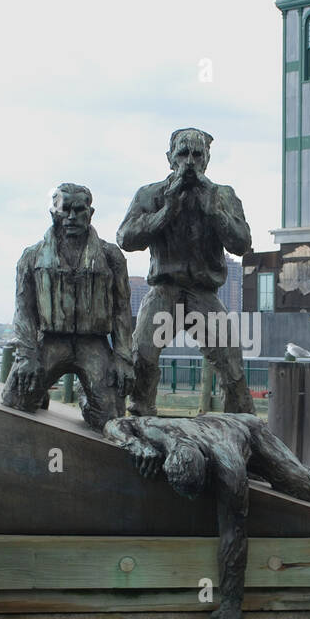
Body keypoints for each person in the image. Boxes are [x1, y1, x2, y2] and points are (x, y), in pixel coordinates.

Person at [103, 411, 310, 619]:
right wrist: (135, 445)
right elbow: (114, 424)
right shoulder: (158, 432)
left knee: (305, 487)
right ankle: (254, 473)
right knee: (247, 478)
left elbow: (234, 531)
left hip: (244, 430)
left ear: (207, 466)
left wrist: (231, 603)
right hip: (206, 427)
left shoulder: (228, 465)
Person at [117, 127, 255, 416]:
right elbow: (126, 239)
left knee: (232, 366)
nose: (189, 162)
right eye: (182, 154)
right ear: (170, 158)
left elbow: (242, 244)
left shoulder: (223, 195)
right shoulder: (151, 194)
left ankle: (242, 424)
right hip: (164, 290)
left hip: (203, 294)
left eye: (197, 155)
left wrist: (215, 213)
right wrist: (165, 213)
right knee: (142, 355)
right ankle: (140, 416)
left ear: (207, 160)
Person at [1, 183, 133, 430]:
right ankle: (40, 393)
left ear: (90, 213)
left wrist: (123, 358)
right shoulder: (31, 257)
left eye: (79, 210)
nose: (72, 216)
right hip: (50, 342)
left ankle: (86, 396)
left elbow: (122, 310)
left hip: (94, 344)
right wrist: (27, 355)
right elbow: (24, 310)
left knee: (110, 417)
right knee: (16, 399)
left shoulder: (111, 256)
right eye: (65, 209)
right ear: (53, 212)